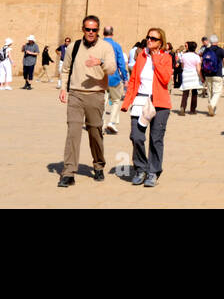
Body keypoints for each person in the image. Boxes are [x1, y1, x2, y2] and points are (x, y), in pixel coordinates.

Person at [57, 14, 116, 187]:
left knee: (95, 132)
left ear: (98, 30)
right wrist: (63, 89)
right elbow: (65, 69)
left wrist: (100, 62)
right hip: (75, 94)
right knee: (73, 132)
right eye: (88, 29)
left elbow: (112, 68)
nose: (91, 32)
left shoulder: (106, 47)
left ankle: (98, 165)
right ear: (83, 29)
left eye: (94, 30)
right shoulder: (73, 46)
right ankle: (68, 172)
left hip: (96, 95)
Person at [121, 26, 172, 187]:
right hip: (140, 101)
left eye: (154, 39)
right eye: (148, 37)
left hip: (160, 103)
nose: (149, 40)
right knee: (136, 136)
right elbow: (134, 80)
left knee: (156, 139)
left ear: (161, 42)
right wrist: (126, 102)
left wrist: (156, 59)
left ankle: (153, 172)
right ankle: (140, 168)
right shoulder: (141, 57)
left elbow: (165, 79)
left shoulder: (166, 58)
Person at [102, 25, 128, 135]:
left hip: (100, 77)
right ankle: (112, 122)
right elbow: (121, 63)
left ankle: (100, 123)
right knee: (116, 100)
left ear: (103, 33)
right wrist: (125, 78)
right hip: (113, 77)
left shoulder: (98, 45)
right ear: (112, 34)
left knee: (102, 101)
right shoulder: (116, 46)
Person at [200, 35, 224, 117]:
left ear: (210, 42)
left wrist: (202, 73)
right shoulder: (220, 50)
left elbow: (202, 61)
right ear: (217, 42)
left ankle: (213, 110)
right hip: (217, 74)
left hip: (208, 73)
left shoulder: (206, 50)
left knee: (210, 92)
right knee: (217, 92)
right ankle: (212, 105)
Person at [177, 40, 203, 114]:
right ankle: (193, 109)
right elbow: (198, 69)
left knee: (185, 93)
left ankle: (183, 107)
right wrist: (201, 78)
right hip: (194, 75)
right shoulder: (196, 56)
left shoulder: (184, 55)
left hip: (186, 74)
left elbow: (182, 66)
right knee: (194, 93)